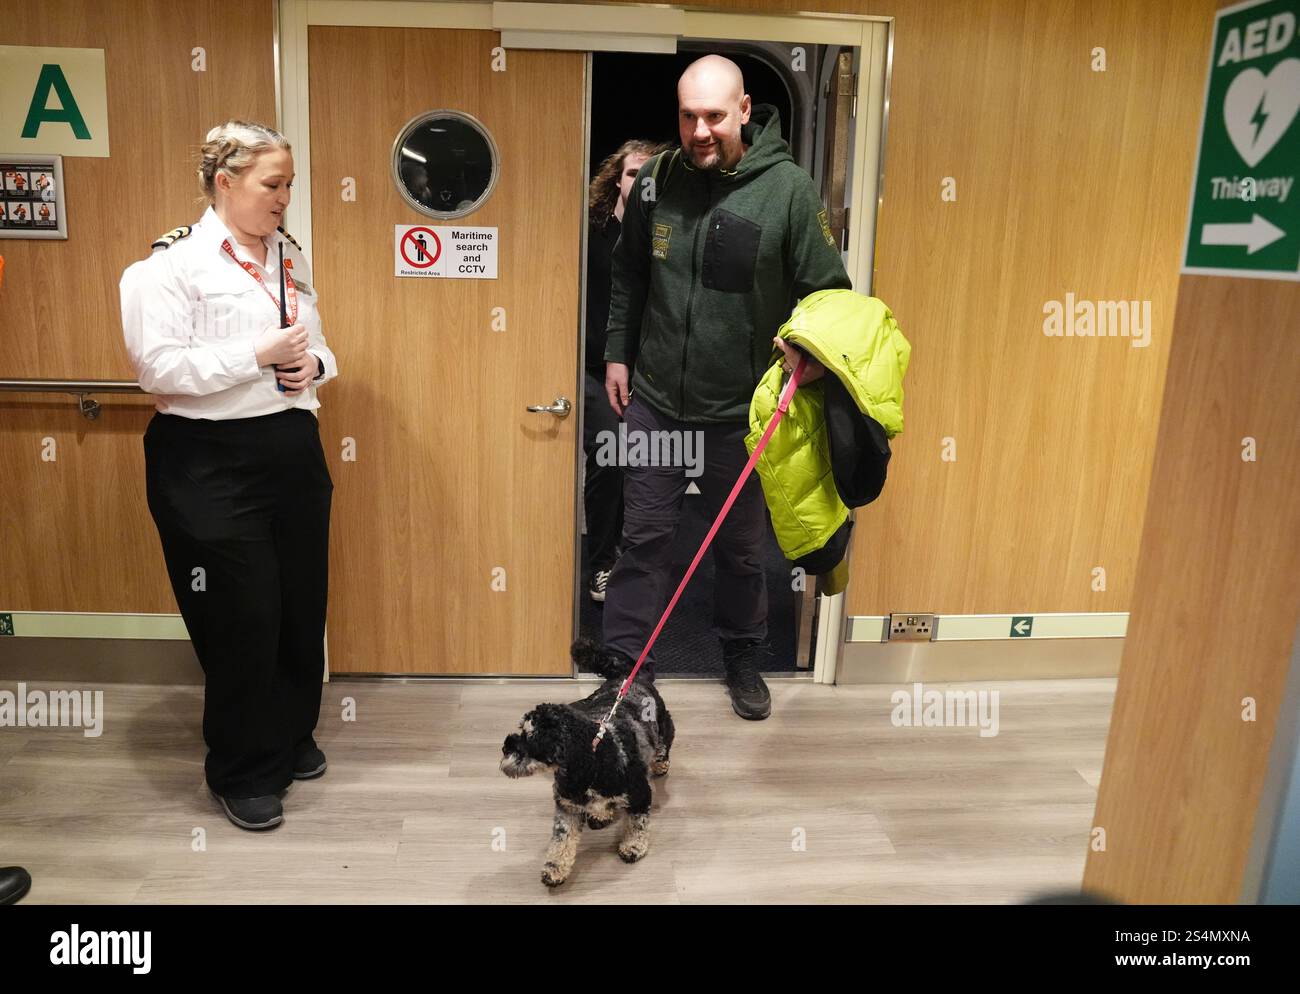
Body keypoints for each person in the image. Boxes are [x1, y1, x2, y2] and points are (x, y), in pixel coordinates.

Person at [603, 55, 851, 719]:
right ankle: (627, 674)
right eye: (688, 116)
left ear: (744, 110)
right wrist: (616, 356)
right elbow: (628, 276)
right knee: (644, 540)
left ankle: (742, 653)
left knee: (740, 549)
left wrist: (808, 350)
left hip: (740, 413)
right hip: (656, 401)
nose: (700, 130)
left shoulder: (788, 191)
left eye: (714, 115)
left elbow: (828, 293)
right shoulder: (656, 180)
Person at [119, 120, 338, 831]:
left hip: (289, 450)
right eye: (273, 185)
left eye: (290, 186)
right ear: (225, 182)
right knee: (242, 614)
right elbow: (158, 369)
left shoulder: (289, 258)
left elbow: (318, 342)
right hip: (205, 460)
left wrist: (317, 365)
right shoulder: (168, 267)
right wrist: (255, 353)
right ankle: (242, 768)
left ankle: (289, 732)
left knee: (300, 606)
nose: (285, 199)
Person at [584, 138, 670, 602]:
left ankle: (637, 565)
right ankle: (601, 562)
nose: (640, 182)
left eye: (649, 175)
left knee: (647, 467)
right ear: (618, 179)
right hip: (592, 368)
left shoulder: (663, 236)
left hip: (647, 373)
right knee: (608, 454)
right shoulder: (589, 233)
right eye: (634, 173)